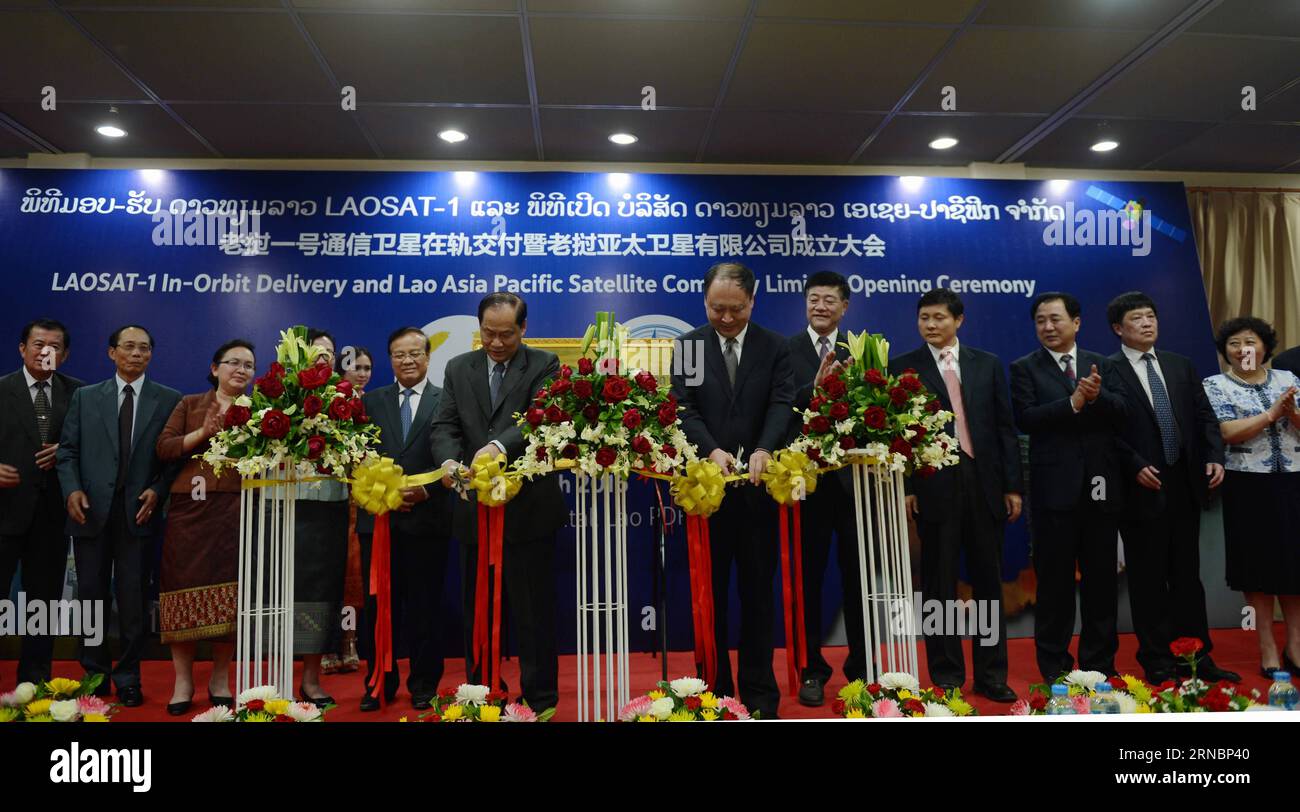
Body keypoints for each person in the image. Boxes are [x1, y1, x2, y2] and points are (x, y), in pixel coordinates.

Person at [431, 293, 568, 713]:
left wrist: (495, 446)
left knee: (533, 613)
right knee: (479, 613)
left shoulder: (545, 364)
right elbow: (444, 424)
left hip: (529, 514)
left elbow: (539, 417)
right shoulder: (458, 367)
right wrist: (450, 461)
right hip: (475, 510)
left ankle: (540, 698)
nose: (495, 342)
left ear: (522, 329)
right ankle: (481, 695)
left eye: (505, 334)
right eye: (488, 333)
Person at [671, 262, 794, 719]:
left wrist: (765, 447)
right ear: (705, 302)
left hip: (759, 492)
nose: (725, 318)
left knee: (759, 595)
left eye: (735, 309)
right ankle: (714, 692)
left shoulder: (774, 347)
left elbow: (783, 402)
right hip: (708, 494)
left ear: (752, 302)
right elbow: (682, 407)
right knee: (710, 597)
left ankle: (761, 695)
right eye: (716, 308)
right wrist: (712, 449)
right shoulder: (689, 346)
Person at [888, 288, 1022, 702]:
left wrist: (1012, 485)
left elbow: (1004, 428)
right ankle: (946, 673)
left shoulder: (987, 364)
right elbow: (898, 435)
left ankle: (991, 674)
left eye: (939, 317)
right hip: (934, 485)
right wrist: (908, 486)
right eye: (924, 317)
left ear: (958, 320)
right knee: (939, 584)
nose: (931, 324)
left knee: (987, 583)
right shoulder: (904, 368)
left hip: (984, 484)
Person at [1105, 291, 1240, 683]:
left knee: (1187, 577)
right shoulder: (1107, 370)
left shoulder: (1179, 365)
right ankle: (1157, 660)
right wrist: (1133, 466)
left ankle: (1197, 657)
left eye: (1151, 316)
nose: (1147, 323)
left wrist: (1214, 456)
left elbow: (1204, 417)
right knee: (1147, 579)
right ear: (1119, 329)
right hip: (1140, 489)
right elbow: (1106, 433)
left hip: (1184, 483)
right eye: (1137, 319)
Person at [56, 325, 182, 706]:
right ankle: (94, 675)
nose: (136, 354)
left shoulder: (169, 399)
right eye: (128, 347)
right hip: (90, 513)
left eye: (144, 348)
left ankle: (129, 677)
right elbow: (67, 453)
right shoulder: (86, 397)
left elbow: (175, 458)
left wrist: (159, 491)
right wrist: (72, 490)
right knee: (91, 598)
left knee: (132, 602)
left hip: (139, 516)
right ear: (112, 353)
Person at [1010, 293, 1127, 682]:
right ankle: (1056, 669)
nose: (1048, 327)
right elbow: (1026, 418)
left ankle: (1099, 665)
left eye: (1055, 319)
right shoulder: (1024, 367)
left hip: (1099, 489)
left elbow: (1122, 413)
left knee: (1100, 585)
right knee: (1054, 587)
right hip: (1052, 494)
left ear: (1076, 322)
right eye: (1040, 320)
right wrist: (1074, 402)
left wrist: (1097, 397)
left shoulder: (1105, 364)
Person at [154, 339, 254, 714]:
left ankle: (220, 677)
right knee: (183, 592)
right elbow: (163, 448)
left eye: (248, 365)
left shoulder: (259, 411)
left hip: (236, 514)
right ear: (215, 368)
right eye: (233, 362)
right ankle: (183, 680)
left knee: (230, 597)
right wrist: (202, 433)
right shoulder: (189, 403)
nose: (240, 370)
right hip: (189, 516)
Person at [355, 331, 452, 711]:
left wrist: (428, 491)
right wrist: (384, 494)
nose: (407, 360)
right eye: (398, 354)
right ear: (390, 359)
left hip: (429, 520)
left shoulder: (446, 399)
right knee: (380, 608)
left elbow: (453, 452)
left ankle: (424, 684)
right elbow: (357, 455)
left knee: (426, 608)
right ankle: (379, 681)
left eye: (414, 353)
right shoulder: (370, 402)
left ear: (428, 357)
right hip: (380, 522)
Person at [1201, 317, 1300, 677]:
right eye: (1235, 344)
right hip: (1248, 484)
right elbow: (1227, 432)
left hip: (1293, 481)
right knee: (1257, 567)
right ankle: (1267, 646)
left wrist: (1292, 414)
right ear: (1226, 351)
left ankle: (1296, 644)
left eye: (1251, 342)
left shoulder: (1289, 380)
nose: (1244, 349)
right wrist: (1273, 414)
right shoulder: (1215, 385)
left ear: (1264, 348)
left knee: (1293, 566)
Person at [784, 270, 865, 706]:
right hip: (807, 486)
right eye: (813, 298)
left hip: (855, 487)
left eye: (829, 300)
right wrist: (809, 391)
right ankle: (809, 669)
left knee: (859, 581)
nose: (820, 306)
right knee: (806, 583)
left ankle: (862, 670)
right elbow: (779, 410)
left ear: (844, 307)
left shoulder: (864, 351)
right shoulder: (786, 351)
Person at [0, 319, 82, 684]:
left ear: (64, 355)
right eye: (37, 344)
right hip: (4, 511)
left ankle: (33, 679)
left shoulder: (80, 394)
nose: (45, 351)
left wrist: (65, 451)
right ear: (22, 348)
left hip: (51, 515)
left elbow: (95, 449)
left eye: (54, 346)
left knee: (42, 604)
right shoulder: (2, 390)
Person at [291, 328, 349, 707]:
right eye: (316, 351)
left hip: (328, 507)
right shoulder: (278, 395)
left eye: (330, 352)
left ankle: (311, 679)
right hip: (284, 507)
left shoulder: (347, 400)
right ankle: (271, 679)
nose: (324, 357)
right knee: (280, 595)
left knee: (319, 595)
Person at [322, 346, 373, 677]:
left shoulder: (374, 404)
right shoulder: (327, 403)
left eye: (368, 367)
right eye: (355, 367)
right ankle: (324, 645)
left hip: (361, 500)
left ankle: (350, 642)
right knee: (326, 575)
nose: (363, 373)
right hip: (327, 500)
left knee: (354, 576)